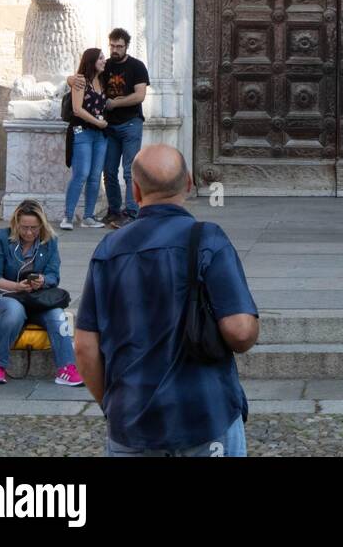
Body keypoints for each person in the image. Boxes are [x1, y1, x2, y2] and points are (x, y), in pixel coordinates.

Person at [74, 144, 259, 457]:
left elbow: (84, 347)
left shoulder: (108, 249)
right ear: (188, 182)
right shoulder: (208, 239)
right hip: (205, 414)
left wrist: (113, 404)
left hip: (132, 421)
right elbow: (240, 332)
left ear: (135, 190)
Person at [0, 199, 82, 386]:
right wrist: (16, 287)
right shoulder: (2, 238)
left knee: (58, 315)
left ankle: (66, 369)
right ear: (16, 224)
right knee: (14, 309)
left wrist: (43, 280)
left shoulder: (50, 242)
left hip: (33, 299)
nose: (29, 232)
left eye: (34, 228)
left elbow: (54, 275)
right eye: (24, 227)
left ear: (42, 225)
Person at [101, 27, 150, 228]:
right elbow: (85, 78)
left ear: (126, 46)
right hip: (109, 127)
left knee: (129, 170)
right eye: (112, 45)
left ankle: (132, 211)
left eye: (119, 46)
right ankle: (114, 210)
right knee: (109, 170)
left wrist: (115, 103)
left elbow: (140, 95)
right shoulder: (104, 66)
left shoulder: (137, 67)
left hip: (131, 124)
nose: (115, 50)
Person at [61, 46, 109, 231]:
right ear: (91, 61)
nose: (104, 61)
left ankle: (88, 216)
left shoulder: (103, 81)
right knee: (81, 174)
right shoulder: (80, 80)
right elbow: (77, 109)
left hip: (100, 135)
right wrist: (98, 123)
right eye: (100, 58)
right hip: (82, 132)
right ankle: (68, 216)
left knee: (96, 177)